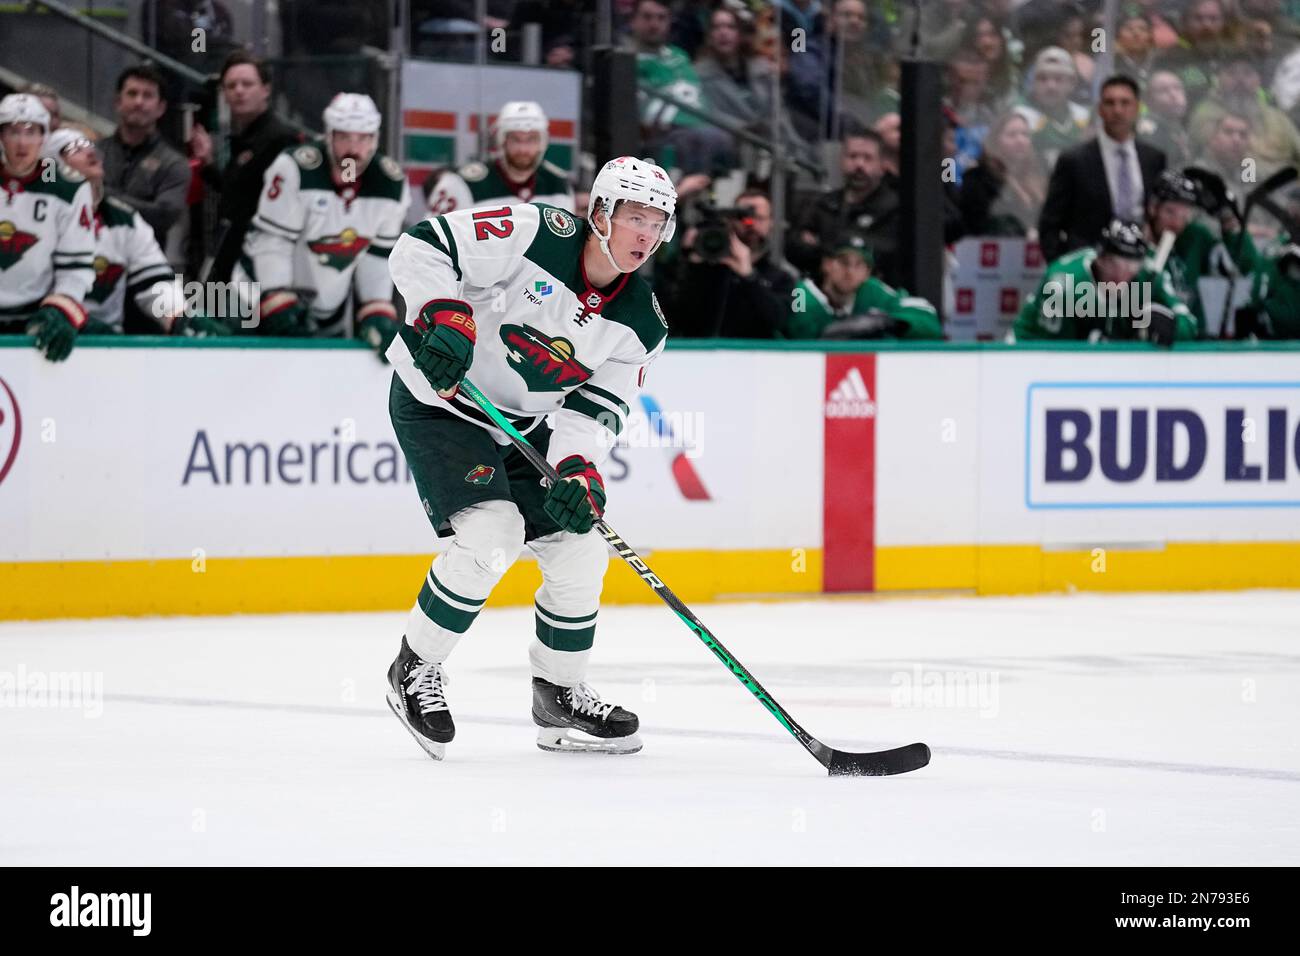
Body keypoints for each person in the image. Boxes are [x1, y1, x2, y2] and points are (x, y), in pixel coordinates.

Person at [382, 156, 678, 759]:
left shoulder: (642, 323)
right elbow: (420, 247)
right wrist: (444, 311)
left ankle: (559, 695)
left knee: (580, 539)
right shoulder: (534, 230)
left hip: (519, 424)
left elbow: (591, 412)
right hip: (439, 395)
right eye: (635, 217)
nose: (645, 235)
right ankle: (414, 669)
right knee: (493, 532)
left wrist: (578, 467)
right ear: (600, 213)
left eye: (658, 223)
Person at [233, 93, 410, 355]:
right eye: (345, 137)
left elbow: (377, 255)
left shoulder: (390, 184)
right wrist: (276, 297)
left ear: (374, 140)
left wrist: (376, 307)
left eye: (363, 138)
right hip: (254, 299)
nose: (353, 148)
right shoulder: (295, 168)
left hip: (328, 309)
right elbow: (273, 240)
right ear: (329, 136)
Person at [42, 129, 226, 337]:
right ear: (52, 164)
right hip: (36, 341)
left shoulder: (126, 220)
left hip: (107, 344)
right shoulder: (35, 218)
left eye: (90, 146)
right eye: (75, 149)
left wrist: (178, 315)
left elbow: (154, 281)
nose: (91, 153)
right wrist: (74, 318)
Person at [190, 52, 303, 283]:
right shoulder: (244, 138)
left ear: (266, 90)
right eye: (231, 86)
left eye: (247, 84)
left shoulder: (281, 139)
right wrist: (208, 163)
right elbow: (238, 193)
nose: (239, 91)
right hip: (233, 254)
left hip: (261, 261)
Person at [0, 94, 94, 362]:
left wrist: (61, 308)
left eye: (31, 132)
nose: (21, 142)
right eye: (12, 131)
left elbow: (76, 268)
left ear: (44, 137)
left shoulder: (68, 188)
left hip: (37, 314)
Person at [1039, 75, 1167, 261]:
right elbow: (1050, 223)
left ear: (1137, 108)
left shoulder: (1153, 159)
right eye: (1110, 103)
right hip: (1089, 265)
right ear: (1099, 109)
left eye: (1125, 103)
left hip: (1140, 265)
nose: (1117, 110)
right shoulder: (1075, 160)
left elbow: (1159, 216)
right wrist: (1065, 269)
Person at [1013, 218, 1196, 345]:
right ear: (1099, 258)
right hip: (1025, 355)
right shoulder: (1064, 283)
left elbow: (1189, 325)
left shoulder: (1147, 275)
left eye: (1132, 265)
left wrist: (1170, 326)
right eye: (1115, 263)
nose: (1123, 273)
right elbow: (1053, 352)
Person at [667, 186, 800, 338]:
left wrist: (749, 277)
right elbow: (673, 315)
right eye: (742, 217)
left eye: (759, 218)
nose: (750, 224)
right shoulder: (706, 266)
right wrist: (690, 261)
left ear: (771, 223)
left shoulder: (782, 278)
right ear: (730, 220)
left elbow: (780, 321)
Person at [627, 0, 733, 185]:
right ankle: (684, 192)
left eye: (661, 18)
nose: (654, 24)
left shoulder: (679, 55)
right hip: (663, 132)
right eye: (647, 17)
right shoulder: (625, 59)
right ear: (633, 21)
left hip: (698, 125)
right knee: (710, 138)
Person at [1147, 168, 1259, 335]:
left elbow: (1244, 266)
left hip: (1195, 343)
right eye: (1170, 212)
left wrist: (1227, 218)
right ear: (1153, 208)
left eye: (1184, 215)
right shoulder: (1134, 248)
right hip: (1146, 346)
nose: (1177, 223)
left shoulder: (1195, 237)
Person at [787, 129, 900, 283]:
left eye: (867, 158)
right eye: (852, 156)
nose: (859, 164)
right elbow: (794, 247)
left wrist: (823, 246)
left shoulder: (894, 208)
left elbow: (881, 254)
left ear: (881, 165)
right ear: (841, 160)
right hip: (821, 293)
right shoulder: (823, 203)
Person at [99, 65, 191, 250]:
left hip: (145, 265)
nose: (139, 102)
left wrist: (103, 196)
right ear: (118, 102)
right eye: (132, 94)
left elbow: (162, 217)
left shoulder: (174, 164)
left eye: (147, 95)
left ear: (161, 108)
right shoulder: (95, 153)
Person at [425, 101, 573, 215]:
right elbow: (433, 241)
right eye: (515, 139)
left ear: (542, 142)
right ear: (502, 141)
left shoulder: (558, 184)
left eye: (531, 139)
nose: (523, 149)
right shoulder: (461, 183)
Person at [784, 233, 941, 340]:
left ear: (867, 273)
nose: (850, 272)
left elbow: (925, 312)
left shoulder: (871, 290)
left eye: (859, 265)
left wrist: (889, 322)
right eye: (844, 262)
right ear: (827, 264)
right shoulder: (801, 292)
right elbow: (795, 327)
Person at [959, 111, 1049, 238]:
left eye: (1025, 134)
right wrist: (1025, 233)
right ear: (995, 141)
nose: (1020, 140)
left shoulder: (1038, 176)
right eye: (1012, 135)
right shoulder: (977, 179)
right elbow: (981, 224)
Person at [1013, 46, 1091, 168]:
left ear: (1072, 83)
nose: (1051, 86)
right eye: (1042, 79)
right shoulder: (1020, 116)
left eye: (1058, 79)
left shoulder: (1083, 116)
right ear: (1033, 83)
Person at [1138, 69, 1194, 168]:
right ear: (1149, 100)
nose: (1174, 95)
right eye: (1163, 91)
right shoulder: (1149, 133)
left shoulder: (1177, 125)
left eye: (1177, 88)